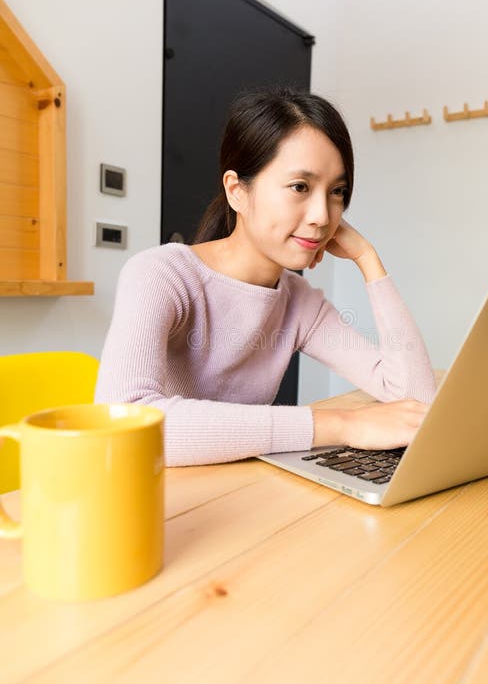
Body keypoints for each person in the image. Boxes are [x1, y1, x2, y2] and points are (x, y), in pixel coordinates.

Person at [95, 87, 437, 466]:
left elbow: (414, 400)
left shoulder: (300, 301)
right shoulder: (161, 275)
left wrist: (368, 260)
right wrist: (340, 424)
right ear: (237, 191)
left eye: (337, 191)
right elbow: (126, 426)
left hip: (245, 490)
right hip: (161, 499)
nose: (322, 216)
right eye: (300, 187)